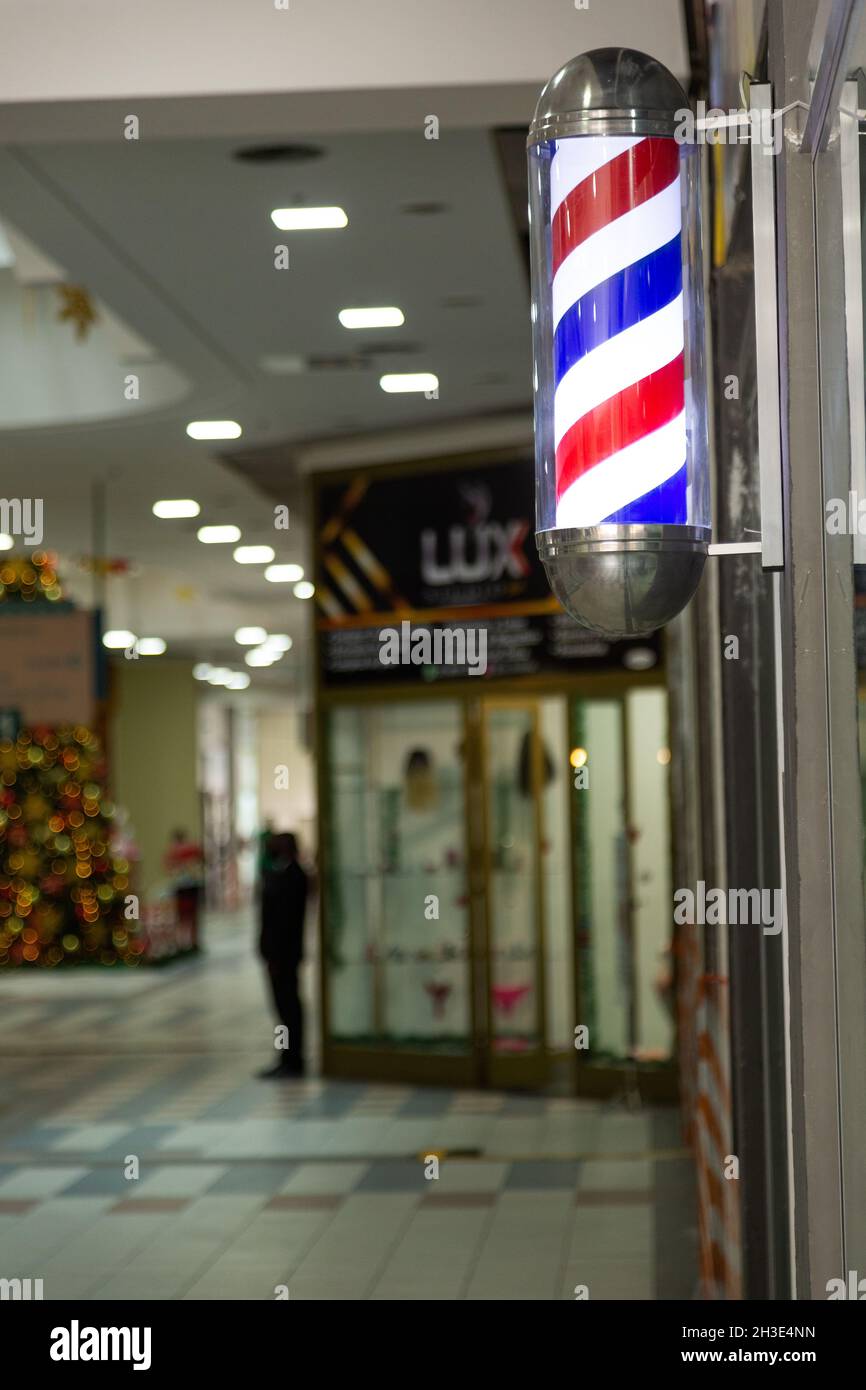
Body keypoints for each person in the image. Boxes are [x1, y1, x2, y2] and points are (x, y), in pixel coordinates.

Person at [257, 832, 308, 1078]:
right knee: (282, 1008)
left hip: (283, 956)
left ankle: (291, 1058)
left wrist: (275, 956)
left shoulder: (292, 877)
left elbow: (283, 922)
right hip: (279, 955)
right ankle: (285, 1055)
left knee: (287, 1008)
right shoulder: (283, 874)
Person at [164, 827, 204, 950]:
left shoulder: (177, 850)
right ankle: (191, 941)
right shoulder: (190, 848)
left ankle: (185, 941)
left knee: (184, 916)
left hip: (186, 886)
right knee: (190, 916)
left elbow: (170, 868)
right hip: (188, 886)